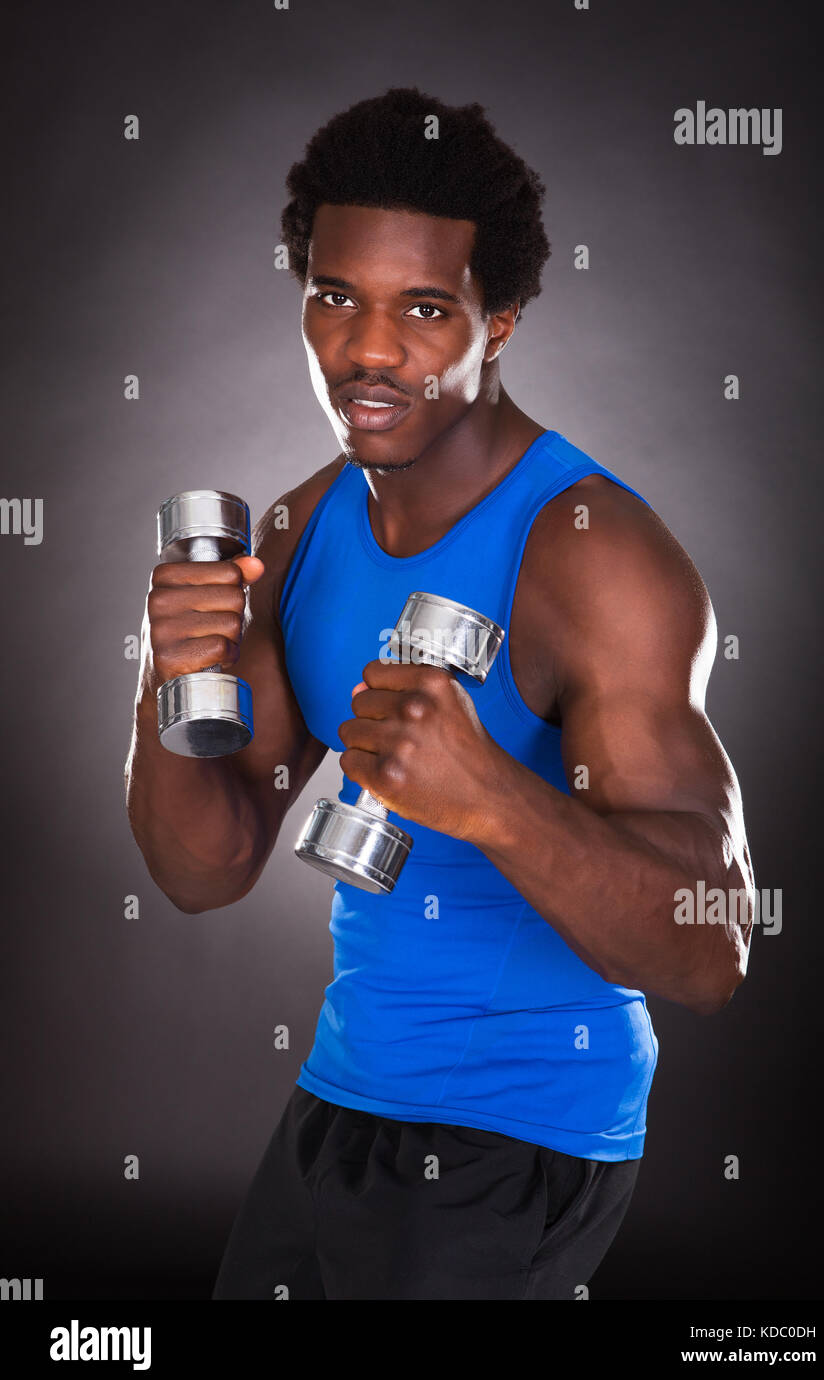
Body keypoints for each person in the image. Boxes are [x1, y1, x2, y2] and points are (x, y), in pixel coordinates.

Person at [124, 87, 754, 1300]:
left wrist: (493, 801)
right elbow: (207, 868)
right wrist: (166, 674)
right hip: (342, 1097)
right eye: (334, 298)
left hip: (520, 1136)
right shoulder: (304, 529)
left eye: (423, 309)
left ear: (499, 320)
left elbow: (712, 946)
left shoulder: (591, 555)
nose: (368, 351)